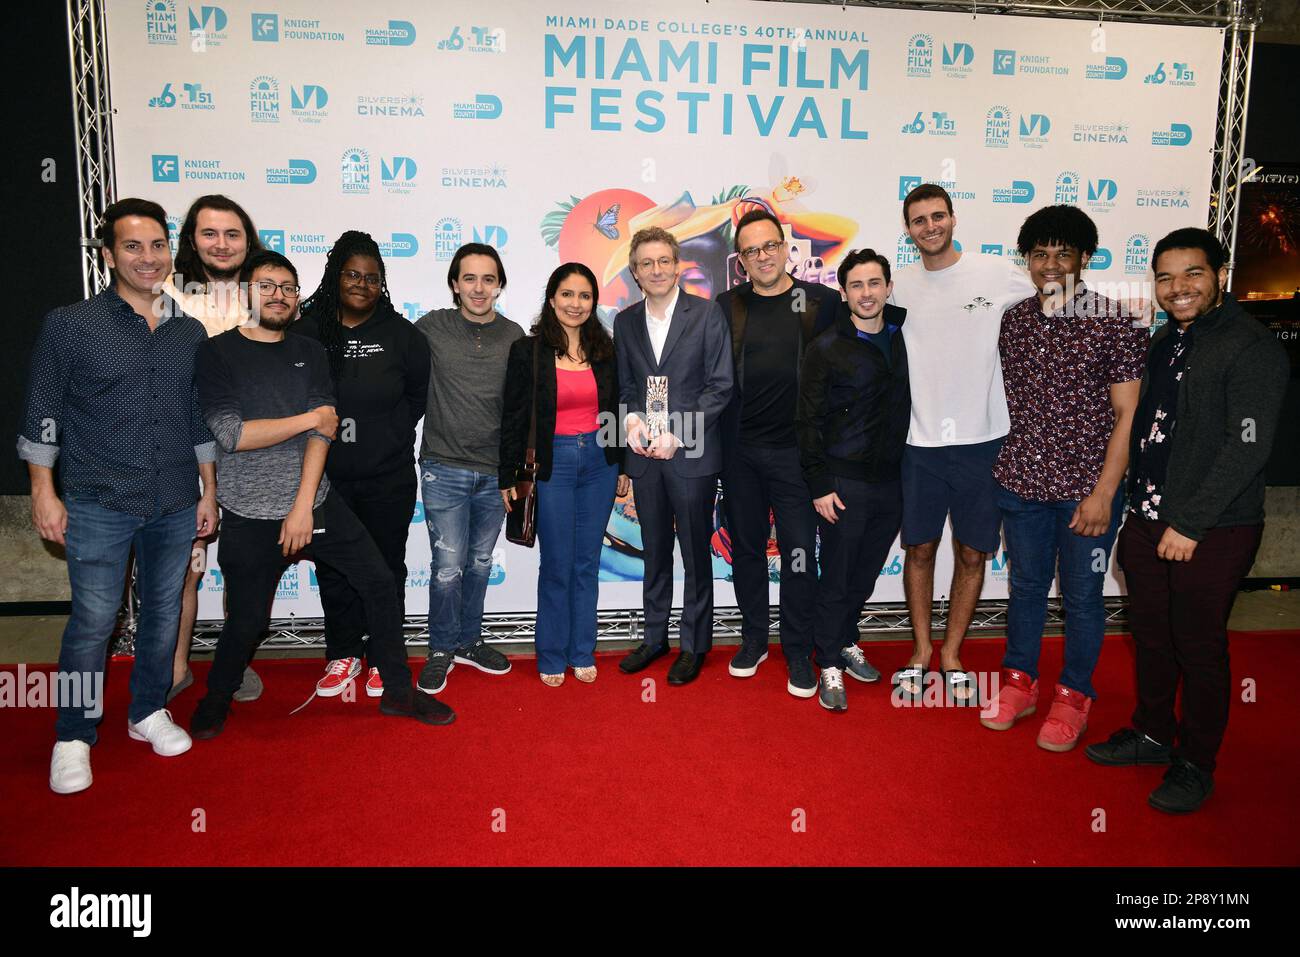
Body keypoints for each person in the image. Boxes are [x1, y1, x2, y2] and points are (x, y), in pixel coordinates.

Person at [189, 250, 452, 736]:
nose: (279, 295)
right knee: (247, 618)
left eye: (288, 287)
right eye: (267, 285)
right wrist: (309, 420)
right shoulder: (217, 352)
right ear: (245, 291)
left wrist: (302, 507)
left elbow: (324, 431)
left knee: (378, 582)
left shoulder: (309, 349)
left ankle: (397, 691)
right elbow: (232, 434)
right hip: (249, 510)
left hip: (314, 500)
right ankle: (216, 697)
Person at [19, 198, 218, 794]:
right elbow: (42, 412)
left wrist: (209, 492)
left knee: (162, 615)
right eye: (133, 246)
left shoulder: (187, 332)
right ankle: (73, 734)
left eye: (157, 245)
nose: (148, 258)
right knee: (93, 622)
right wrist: (43, 493)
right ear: (108, 255)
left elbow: (197, 419)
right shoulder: (70, 324)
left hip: (175, 500)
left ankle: (147, 711)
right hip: (95, 500)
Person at [1086, 228, 1287, 813]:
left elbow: (1246, 445)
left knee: (1197, 647)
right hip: (1148, 519)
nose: (1178, 288)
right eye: (1166, 277)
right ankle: (1152, 733)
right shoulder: (1165, 342)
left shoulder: (1251, 347)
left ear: (1220, 274)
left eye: (1193, 274)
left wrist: (1191, 523)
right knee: (1150, 636)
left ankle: (1196, 762)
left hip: (1211, 530)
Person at [979, 206, 1146, 750]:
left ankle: (1074, 693)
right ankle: (1019, 682)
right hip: (1022, 483)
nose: (1051, 264)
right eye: (1040, 254)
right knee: (1025, 589)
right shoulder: (1015, 319)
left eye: (1063, 253)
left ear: (1085, 258)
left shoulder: (1115, 320)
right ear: (1027, 260)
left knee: (1081, 596)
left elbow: (1127, 417)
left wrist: (1103, 493)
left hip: (1085, 492)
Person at [889, 184, 1036, 703]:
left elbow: (1055, 297)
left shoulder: (997, 273)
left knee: (974, 553)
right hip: (919, 442)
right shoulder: (896, 286)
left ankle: (953, 652)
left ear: (953, 219)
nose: (929, 227)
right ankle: (921, 651)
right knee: (920, 548)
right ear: (907, 230)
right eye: (919, 220)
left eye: (937, 217)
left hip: (984, 439)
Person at [294, 231, 429, 699]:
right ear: (336, 275)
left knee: (388, 566)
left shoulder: (403, 335)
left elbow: (417, 397)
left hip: (387, 477)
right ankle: (343, 654)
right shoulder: (307, 330)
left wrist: (384, 436)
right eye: (353, 274)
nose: (362, 284)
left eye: (372, 278)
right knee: (334, 568)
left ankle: (383, 658)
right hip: (324, 478)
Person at [715, 208, 843, 698]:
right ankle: (753, 639)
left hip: (797, 455)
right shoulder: (727, 305)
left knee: (795, 555)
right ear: (740, 259)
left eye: (770, 246)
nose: (762, 257)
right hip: (741, 454)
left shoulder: (821, 301)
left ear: (785, 246)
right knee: (746, 550)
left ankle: (796, 649)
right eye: (751, 250)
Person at [614, 226, 734, 685]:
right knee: (655, 551)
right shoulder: (624, 322)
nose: (657, 270)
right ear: (635, 272)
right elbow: (624, 386)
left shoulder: (706, 315)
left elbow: (720, 385)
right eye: (647, 263)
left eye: (664, 260)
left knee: (694, 554)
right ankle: (654, 637)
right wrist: (632, 425)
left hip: (691, 455)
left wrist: (678, 433)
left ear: (677, 265)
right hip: (645, 455)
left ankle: (694, 644)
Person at [499, 263, 629, 685]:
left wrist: (623, 465)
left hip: (599, 464)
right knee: (557, 562)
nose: (576, 304)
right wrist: (507, 475)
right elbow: (514, 417)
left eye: (585, 296)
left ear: (594, 302)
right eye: (568, 294)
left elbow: (616, 411)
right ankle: (552, 654)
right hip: (550, 464)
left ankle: (581, 650)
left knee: (587, 562)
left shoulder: (606, 351)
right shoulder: (528, 351)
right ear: (552, 298)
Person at [798, 249, 910, 712]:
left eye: (875, 283)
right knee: (839, 576)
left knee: (864, 574)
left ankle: (845, 640)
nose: (867, 293)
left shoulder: (905, 336)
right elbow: (807, 421)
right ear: (843, 293)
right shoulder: (826, 348)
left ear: (887, 287)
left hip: (892, 480)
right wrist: (820, 484)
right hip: (843, 482)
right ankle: (826, 660)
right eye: (857, 286)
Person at [162, 194, 264, 704]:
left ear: (248, 241)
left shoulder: (266, 295)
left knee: (242, 566)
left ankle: (233, 661)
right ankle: (176, 666)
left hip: (253, 452)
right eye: (210, 234)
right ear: (191, 240)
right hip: (184, 451)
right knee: (187, 564)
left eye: (232, 234)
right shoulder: (165, 297)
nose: (221, 245)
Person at [414, 244, 521, 695]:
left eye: (488, 279)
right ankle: (441, 647)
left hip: (496, 472)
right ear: (455, 283)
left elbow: (521, 409)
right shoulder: (429, 327)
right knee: (447, 566)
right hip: (444, 467)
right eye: (470, 279)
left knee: (479, 563)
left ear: (499, 285)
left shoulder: (515, 335)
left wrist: (514, 472)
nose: (479, 289)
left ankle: (469, 641)